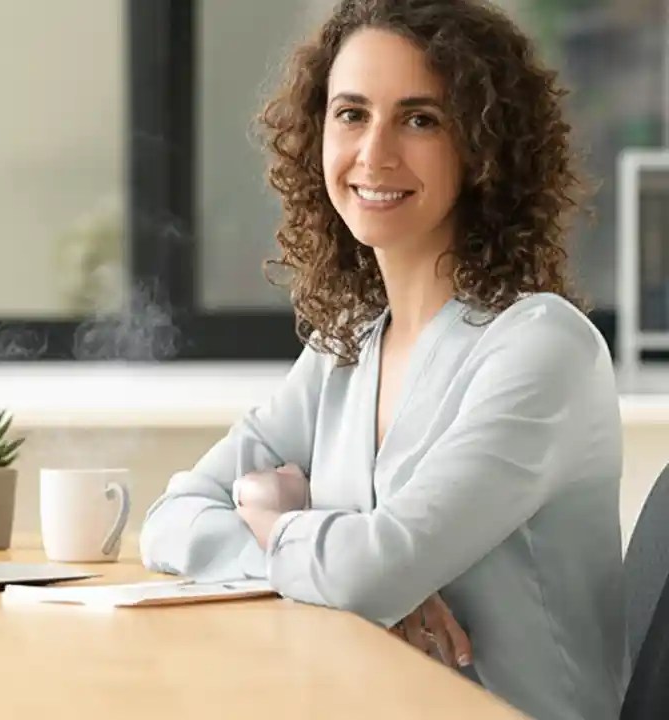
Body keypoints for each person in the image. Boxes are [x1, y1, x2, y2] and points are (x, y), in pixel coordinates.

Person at [138, 1, 628, 718]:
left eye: (420, 118)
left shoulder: (542, 349)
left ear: (483, 148)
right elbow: (170, 519)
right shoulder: (347, 347)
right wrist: (339, 575)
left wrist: (279, 524)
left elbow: (375, 571)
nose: (375, 153)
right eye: (352, 113)